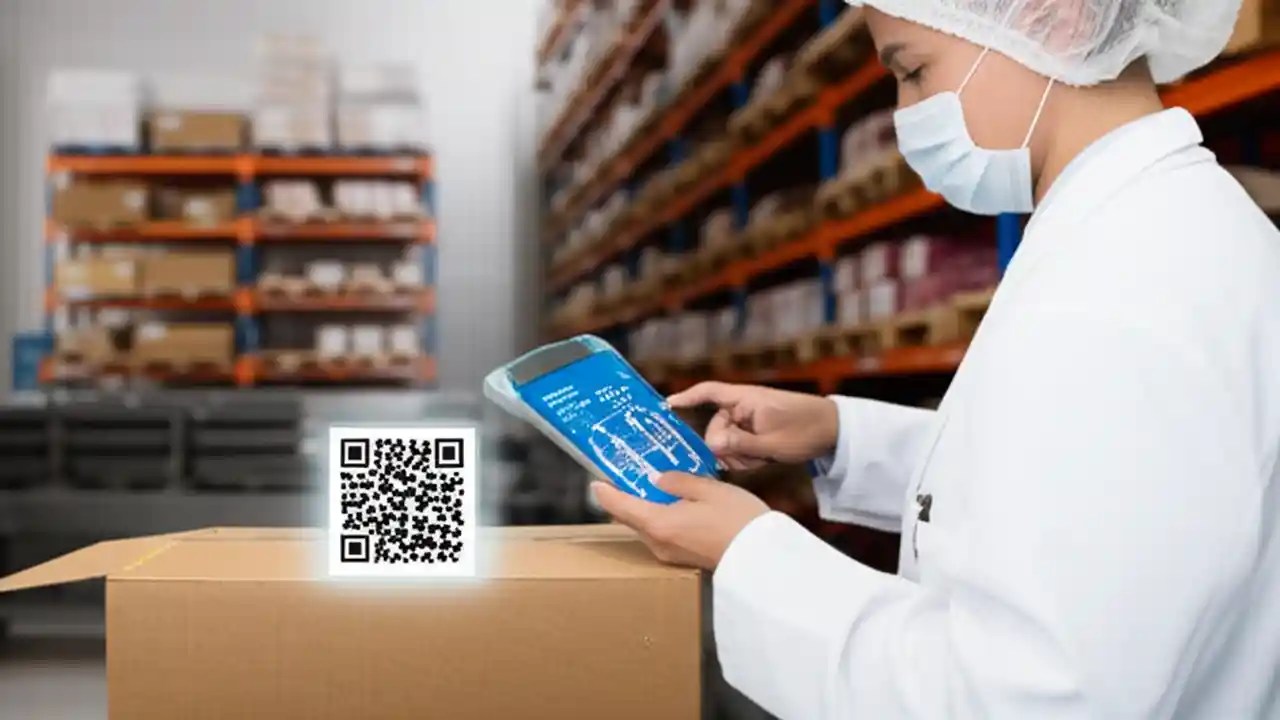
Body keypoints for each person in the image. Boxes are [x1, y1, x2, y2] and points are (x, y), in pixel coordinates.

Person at [592, 0, 1280, 717]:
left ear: (1063, 18)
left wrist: (749, 553)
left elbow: (1027, 698)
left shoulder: (1120, 288)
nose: (904, 114)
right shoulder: (1153, 228)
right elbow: (1098, 477)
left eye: (914, 71)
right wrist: (840, 434)